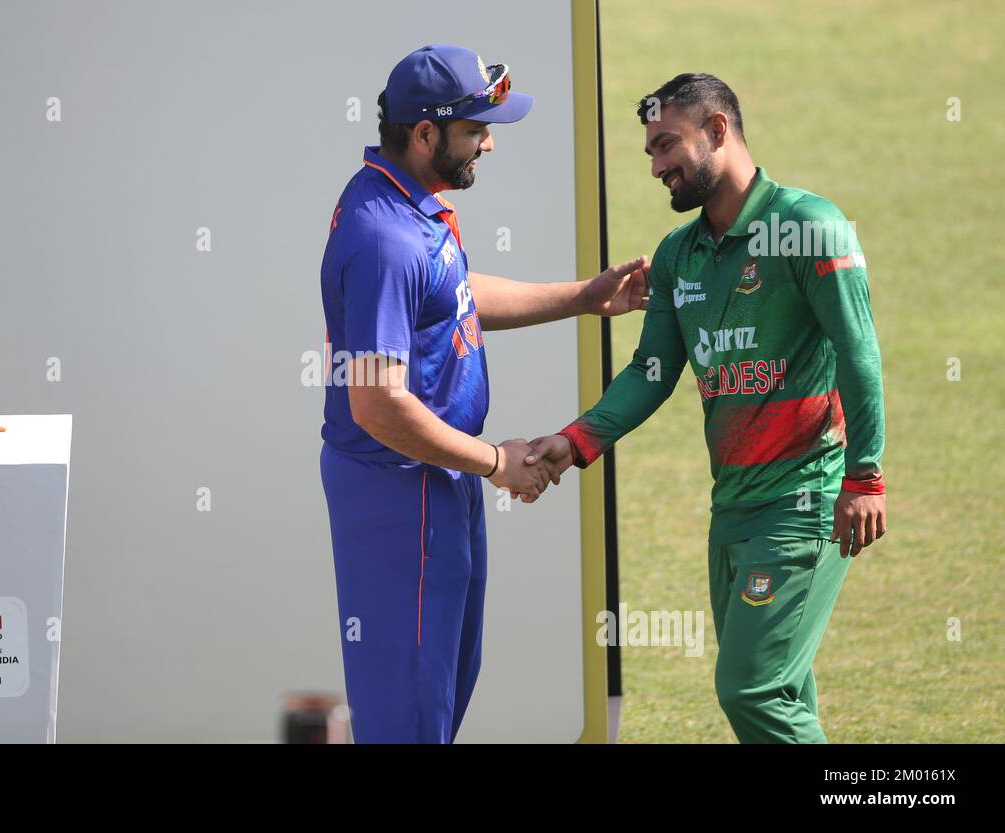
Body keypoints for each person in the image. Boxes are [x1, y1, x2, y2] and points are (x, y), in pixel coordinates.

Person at [525, 73, 887, 743]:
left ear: (718, 129)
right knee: (781, 695)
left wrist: (864, 476)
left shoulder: (809, 227)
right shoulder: (677, 255)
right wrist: (576, 440)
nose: (658, 166)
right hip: (732, 510)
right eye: (651, 153)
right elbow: (651, 372)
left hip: (804, 500)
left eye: (668, 145)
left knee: (747, 686)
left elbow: (859, 354)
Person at [318, 44, 650, 743]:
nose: (490, 144)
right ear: (426, 134)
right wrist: (497, 462)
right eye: (476, 129)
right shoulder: (385, 237)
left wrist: (584, 298)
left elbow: (456, 298)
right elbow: (376, 404)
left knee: (440, 699)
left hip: (442, 476)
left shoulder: (415, 203)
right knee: (408, 718)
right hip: (399, 488)